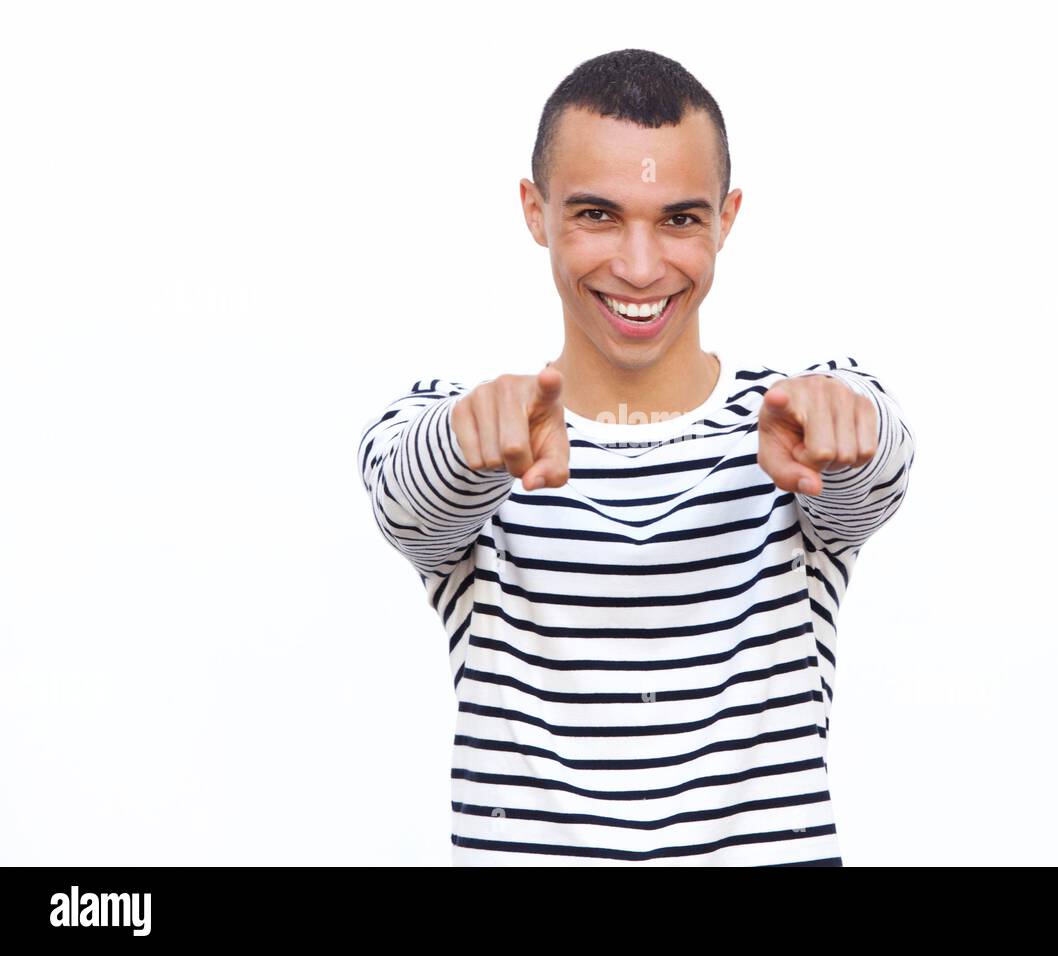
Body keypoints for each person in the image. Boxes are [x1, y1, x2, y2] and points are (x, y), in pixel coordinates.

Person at [356, 48, 916, 866]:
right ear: (534, 211)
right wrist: (470, 446)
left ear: (727, 219)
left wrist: (846, 429)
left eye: (680, 219)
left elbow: (878, 471)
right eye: (597, 215)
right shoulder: (473, 436)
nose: (641, 266)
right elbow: (405, 498)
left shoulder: (799, 422)